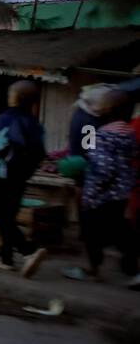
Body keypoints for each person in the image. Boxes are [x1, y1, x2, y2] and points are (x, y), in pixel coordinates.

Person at [63, 89, 138, 285]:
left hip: (100, 194)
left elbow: (101, 167)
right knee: (120, 231)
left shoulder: (102, 133)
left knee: (92, 233)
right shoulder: (129, 132)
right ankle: (132, 267)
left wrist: (89, 194)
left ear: (107, 110)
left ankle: (92, 270)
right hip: (121, 193)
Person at [0, 79, 47, 277]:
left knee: (1, 218)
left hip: (0, 174)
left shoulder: (5, 119)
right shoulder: (35, 124)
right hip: (21, 176)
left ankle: (29, 251)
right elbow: (40, 153)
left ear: (14, 98)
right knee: (10, 215)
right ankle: (5, 257)